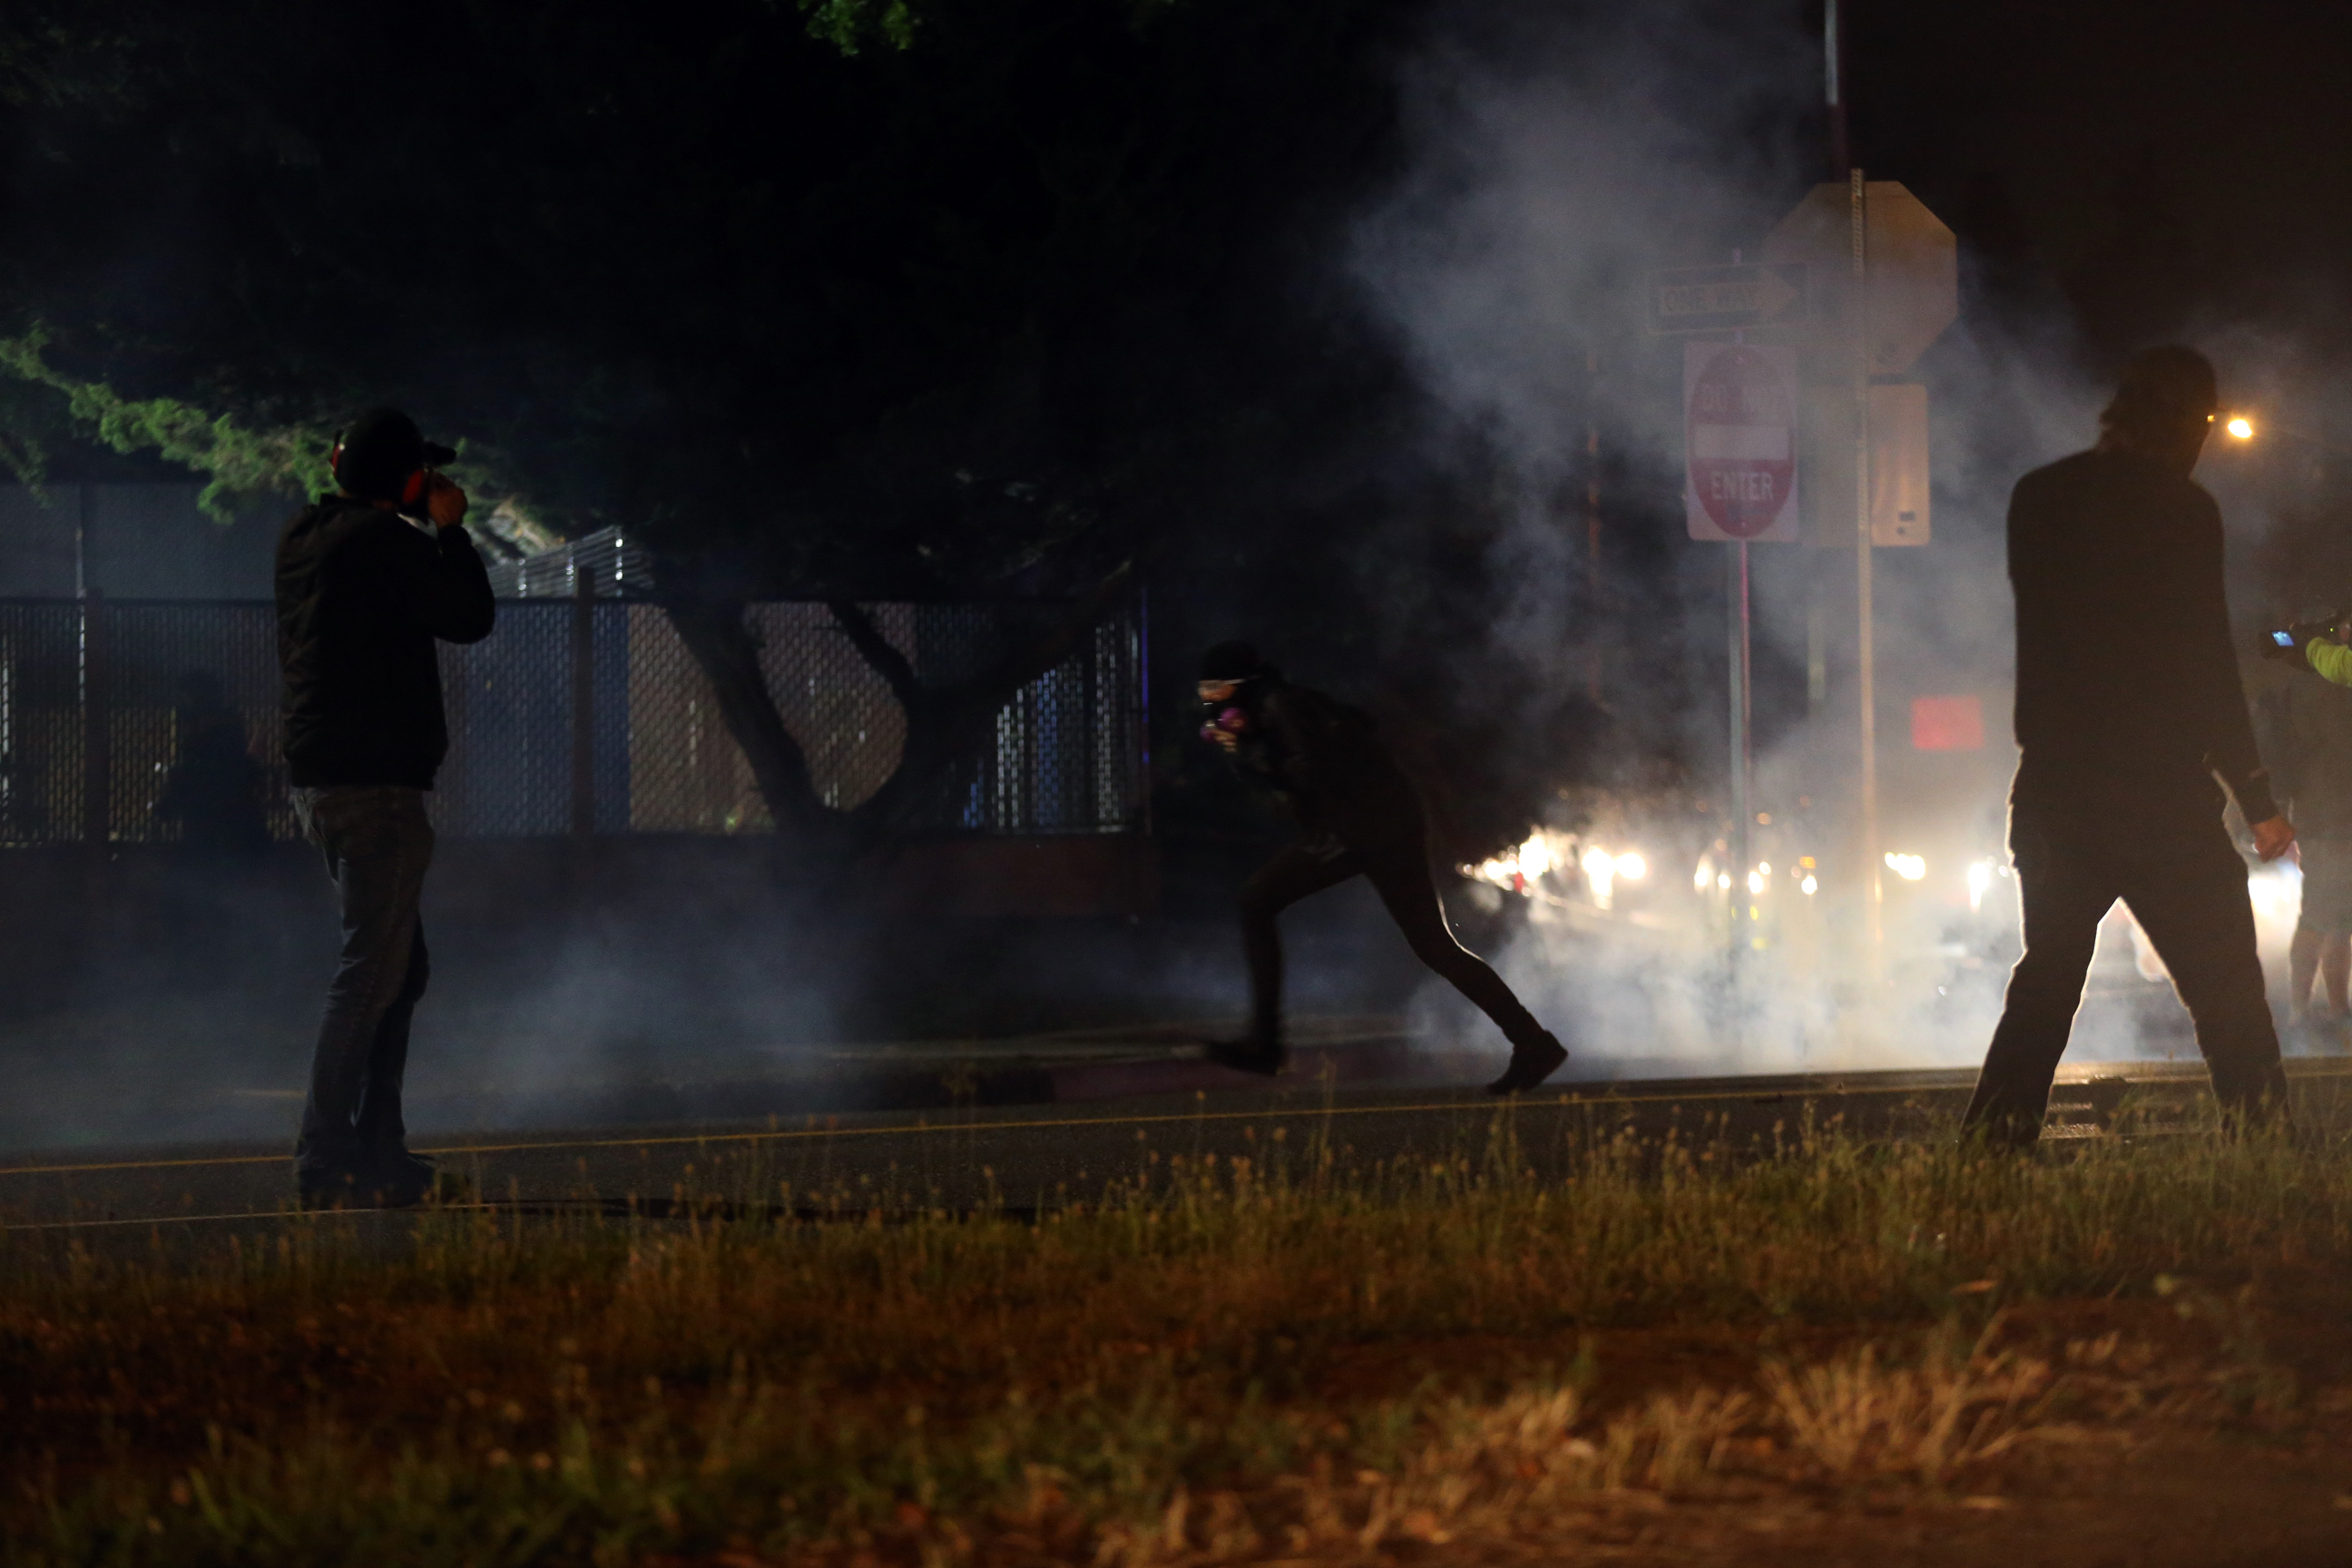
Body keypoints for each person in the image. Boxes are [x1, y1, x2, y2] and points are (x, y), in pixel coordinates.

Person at [1964, 346, 2294, 1148]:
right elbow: (2206, 664)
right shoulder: (2183, 512)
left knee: (2046, 983)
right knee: (2225, 988)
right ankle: (2264, 1148)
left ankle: (1989, 1150)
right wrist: (2255, 798)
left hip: (2057, 787)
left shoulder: (2037, 498)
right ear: (2193, 422)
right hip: (2158, 795)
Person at [277, 407, 495, 1206]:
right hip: (375, 787)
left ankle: (378, 1149)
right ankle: (326, 1156)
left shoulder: (302, 538)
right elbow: (469, 618)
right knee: (371, 976)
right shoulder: (387, 545)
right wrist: (452, 530)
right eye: (421, 475)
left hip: (325, 780)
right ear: (405, 481)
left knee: (400, 971)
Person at [1194, 642, 1567, 1093]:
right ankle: (1533, 1043)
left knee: (1255, 902)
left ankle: (1266, 1044)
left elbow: (1304, 779)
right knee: (1436, 946)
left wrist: (1249, 760)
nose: (1211, 703)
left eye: (1215, 692)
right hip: (1388, 822)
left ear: (1240, 687)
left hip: (1359, 828)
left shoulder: (1277, 708)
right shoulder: (1286, 704)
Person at [2257, 609, 2352, 1037]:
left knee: (2333, 915)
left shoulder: (2304, 683)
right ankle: (2312, 1012)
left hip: (2321, 814)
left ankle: (2327, 1010)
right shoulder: (2325, 684)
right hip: (2331, 815)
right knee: (2324, 916)